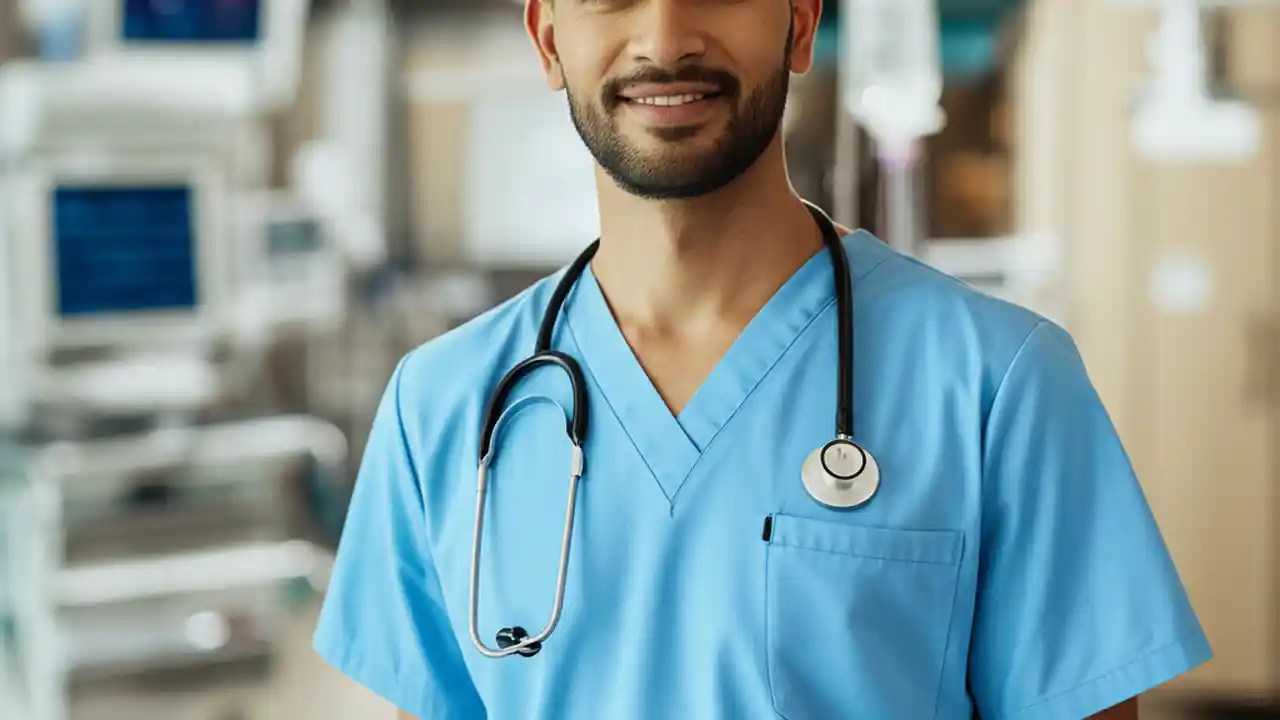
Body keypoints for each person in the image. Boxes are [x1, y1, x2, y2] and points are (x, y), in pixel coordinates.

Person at [313, 1, 1211, 718]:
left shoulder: (1000, 386)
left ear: (801, 22)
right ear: (547, 37)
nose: (665, 37)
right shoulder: (441, 407)